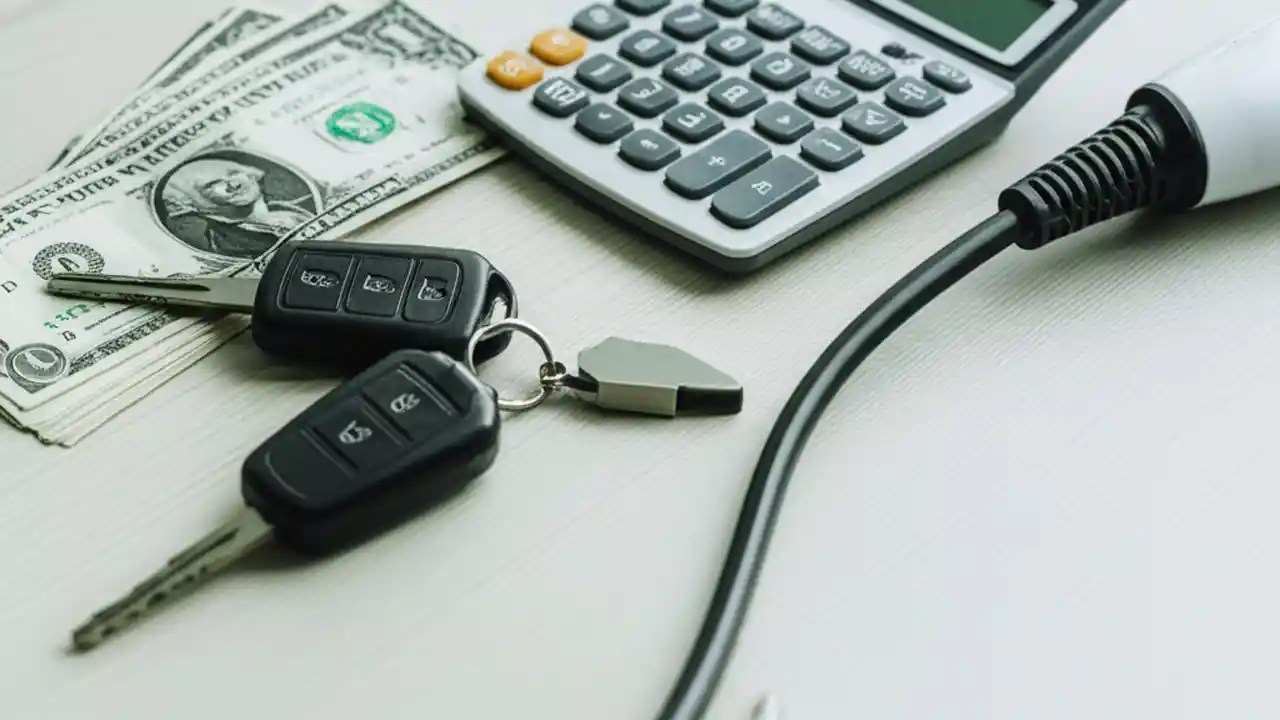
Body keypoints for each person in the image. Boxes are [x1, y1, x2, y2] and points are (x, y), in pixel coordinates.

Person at [160, 158, 314, 258]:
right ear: (195, 205)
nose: (234, 184)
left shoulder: (299, 203)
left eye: (234, 173)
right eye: (212, 185)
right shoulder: (227, 245)